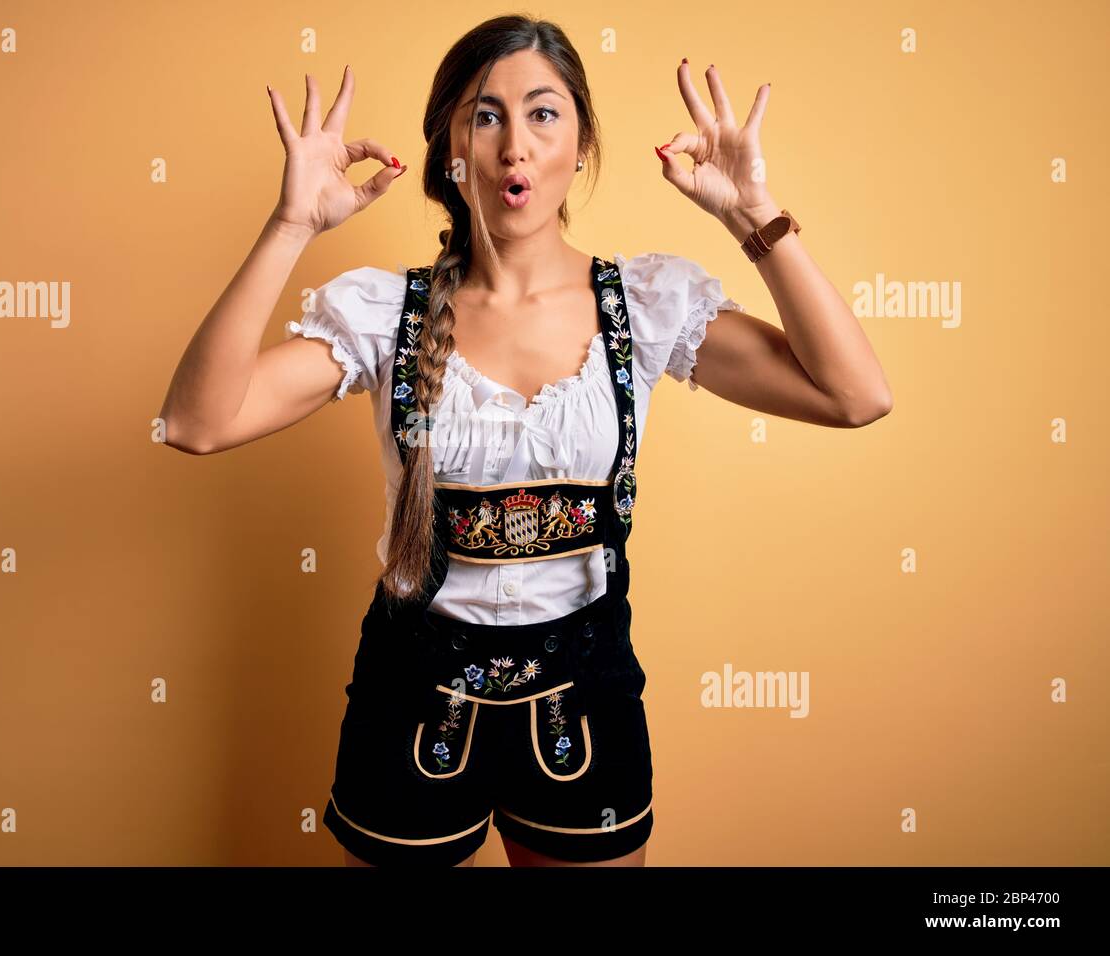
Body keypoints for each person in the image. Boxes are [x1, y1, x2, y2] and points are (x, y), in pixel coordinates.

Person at [158, 15, 893, 868]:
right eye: (486, 115)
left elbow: (855, 394)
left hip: (589, 699)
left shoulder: (644, 307)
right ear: (449, 152)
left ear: (580, 142)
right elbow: (195, 424)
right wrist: (290, 225)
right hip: (410, 701)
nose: (516, 146)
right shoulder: (384, 315)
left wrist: (756, 215)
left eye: (544, 114)